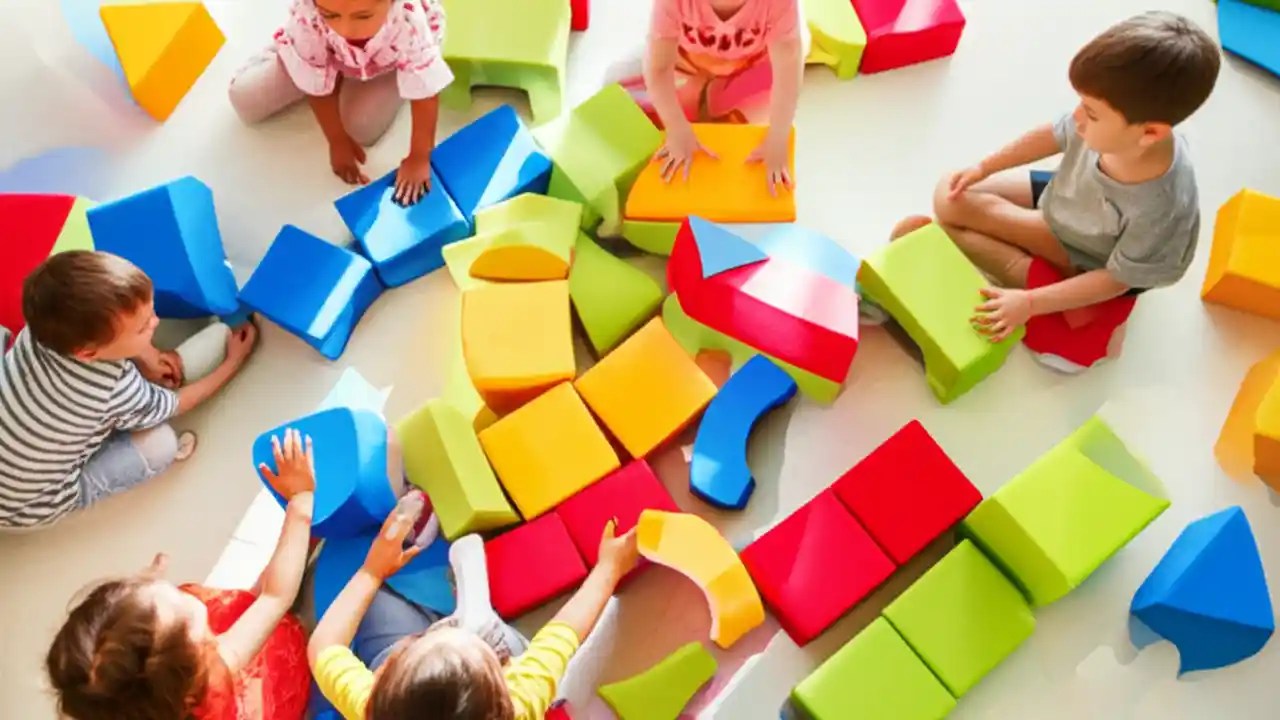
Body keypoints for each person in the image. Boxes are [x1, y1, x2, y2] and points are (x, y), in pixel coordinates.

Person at [896, 11, 1219, 346]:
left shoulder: (1158, 208)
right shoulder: (1118, 128)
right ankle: (979, 238)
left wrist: (1031, 303)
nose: (1077, 117)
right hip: (1067, 200)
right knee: (949, 195)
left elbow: (1116, 279)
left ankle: (1053, 284)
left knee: (957, 222)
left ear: (1150, 132)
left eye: (1091, 113)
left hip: (1091, 257)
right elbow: (1054, 133)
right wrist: (985, 167)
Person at [45, 428, 317, 719]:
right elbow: (275, 596)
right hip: (264, 681)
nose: (179, 591)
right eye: (177, 599)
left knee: (243, 605)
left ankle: (295, 550)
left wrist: (147, 583)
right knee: (262, 606)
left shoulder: (152, 687)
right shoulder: (216, 670)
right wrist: (300, 502)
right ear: (197, 661)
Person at [0, 251, 257, 530]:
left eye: (151, 312)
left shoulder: (40, 330)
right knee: (160, 444)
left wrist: (147, 353)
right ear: (87, 353)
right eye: (143, 327)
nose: (156, 322)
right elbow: (176, 403)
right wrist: (233, 362)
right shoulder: (112, 388)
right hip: (24, 507)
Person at [309, 511, 640, 720]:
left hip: (419, 665)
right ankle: (482, 627)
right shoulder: (522, 701)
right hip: (504, 657)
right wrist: (608, 570)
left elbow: (323, 645)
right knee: (500, 640)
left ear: (382, 682)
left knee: (375, 603)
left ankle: (467, 626)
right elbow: (563, 634)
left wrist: (371, 573)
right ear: (503, 688)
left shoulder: (371, 709)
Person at [229, 0, 451, 204]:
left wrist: (420, 157)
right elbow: (317, 92)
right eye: (330, 15)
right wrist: (336, 139)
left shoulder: (409, 21)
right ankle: (293, 49)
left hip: (385, 62)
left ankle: (399, 73)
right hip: (320, 46)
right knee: (243, 100)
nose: (345, 30)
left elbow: (426, 94)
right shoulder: (311, 16)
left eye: (362, 16)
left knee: (363, 128)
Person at [632, 0, 806, 193]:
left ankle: (715, 95)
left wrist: (778, 138)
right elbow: (660, 68)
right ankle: (703, 93)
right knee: (645, 113)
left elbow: (788, 67)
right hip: (688, 61)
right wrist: (676, 127)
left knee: (742, 140)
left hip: (751, 65)